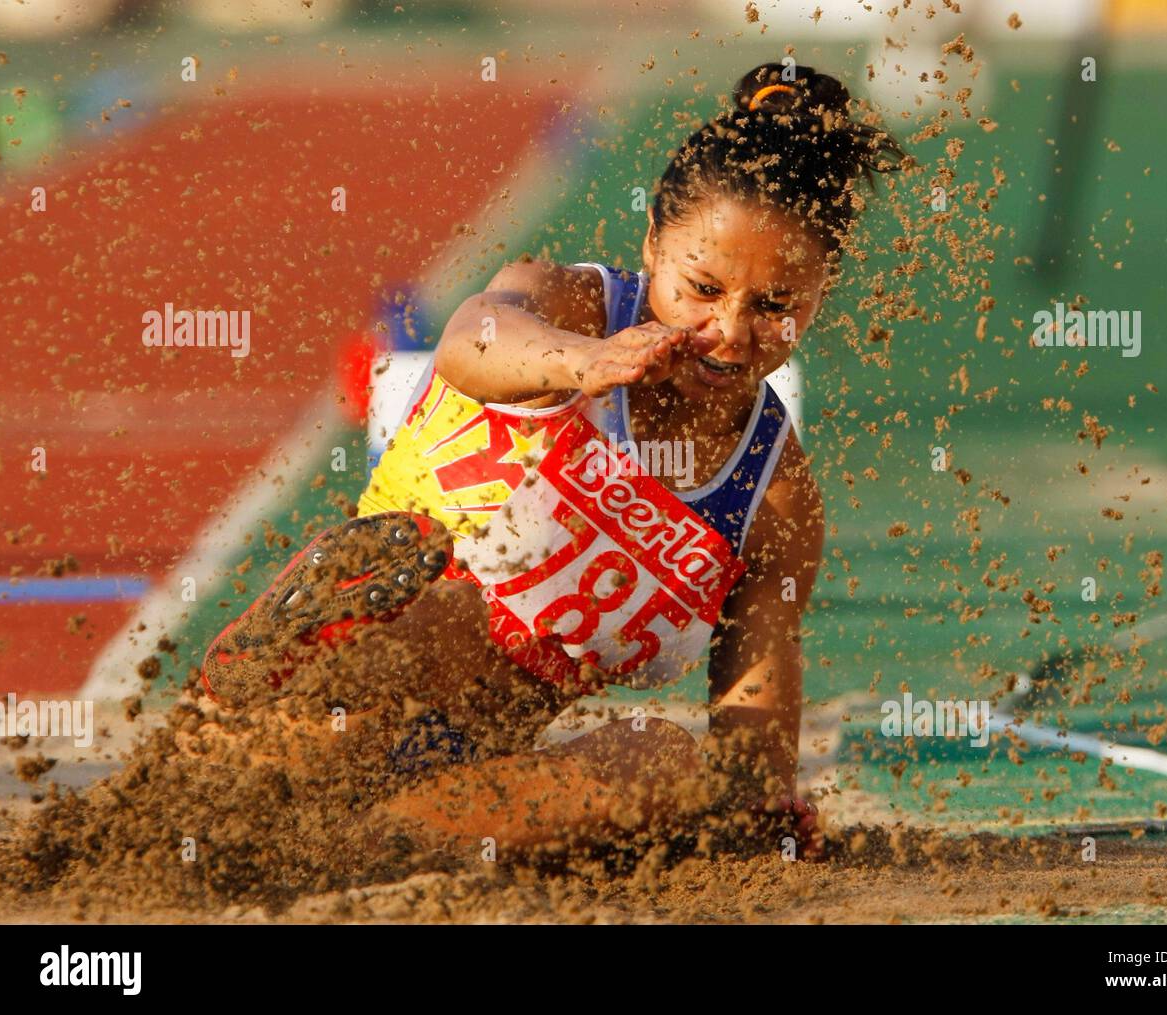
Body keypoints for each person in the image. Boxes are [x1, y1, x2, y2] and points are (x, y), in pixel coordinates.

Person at [201, 62, 906, 861]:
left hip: (464, 772)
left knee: (667, 762)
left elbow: (754, 692)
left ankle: (373, 845)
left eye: (776, 307)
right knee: (464, 615)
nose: (732, 333)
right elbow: (473, 341)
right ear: (652, 245)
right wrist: (586, 362)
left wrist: (765, 811)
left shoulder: (774, 495)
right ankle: (243, 735)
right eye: (702, 288)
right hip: (351, 671)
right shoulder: (571, 306)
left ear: (819, 294)